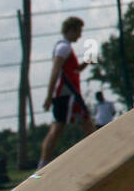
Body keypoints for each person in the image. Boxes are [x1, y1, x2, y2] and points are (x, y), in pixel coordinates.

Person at [39, 16, 94, 168]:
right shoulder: (64, 48)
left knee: (61, 128)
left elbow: (74, 71)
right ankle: (99, 158)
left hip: (68, 94)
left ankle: (42, 165)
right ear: (71, 30)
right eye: (79, 31)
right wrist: (49, 96)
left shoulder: (66, 48)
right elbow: (56, 70)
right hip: (68, 94)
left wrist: (89, 60)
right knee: (84, 125)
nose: (80, 35)